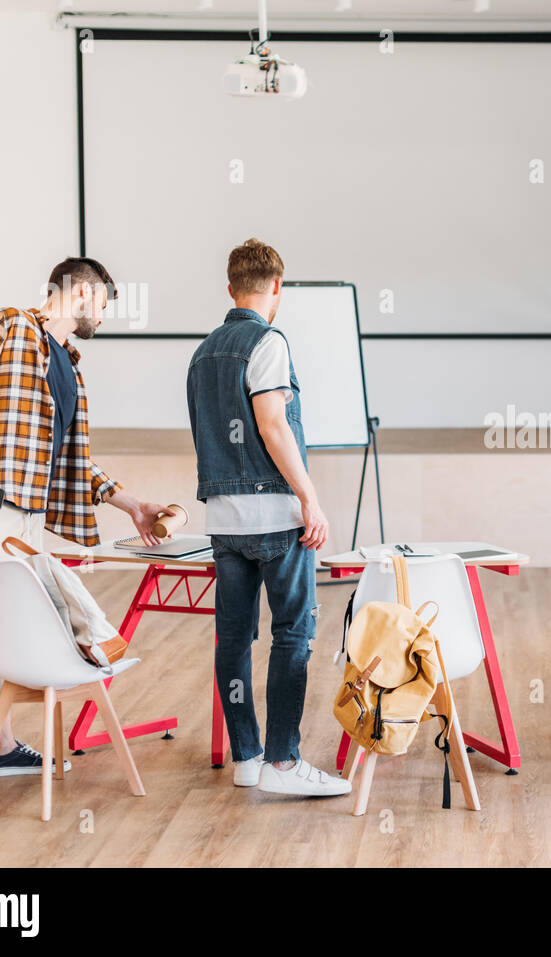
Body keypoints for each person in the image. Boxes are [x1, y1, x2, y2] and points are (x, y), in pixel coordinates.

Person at [0, 257, 169, 813]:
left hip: (29, 521)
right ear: (81, 291)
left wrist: (131, 505)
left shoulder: (69, 367)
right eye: (103, 303)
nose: (103, 315)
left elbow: (75, 463)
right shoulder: (6, 325)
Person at [186, 238, 349, 797]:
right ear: (276, 287)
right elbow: (273, 425)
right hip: (276, 517)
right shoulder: (269, 340)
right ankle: (284, 763)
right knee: (293, 633)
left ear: (230, 287)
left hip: (225, 522)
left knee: (233, 638)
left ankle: (247, 757)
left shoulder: (204, 351)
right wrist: (311, 498)